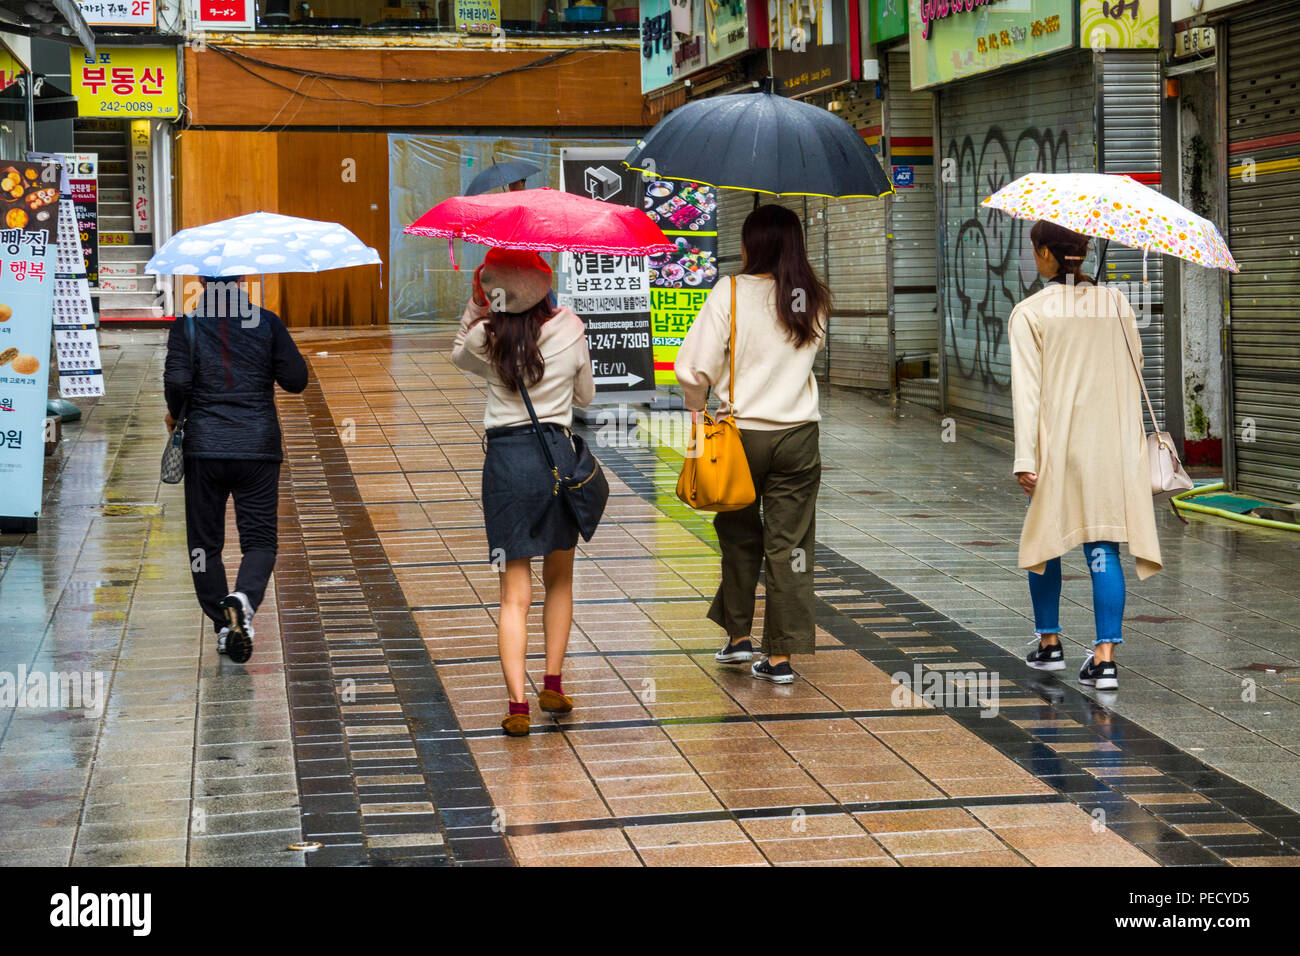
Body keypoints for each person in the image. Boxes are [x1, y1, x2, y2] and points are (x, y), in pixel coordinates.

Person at [675, 204, 829, 685]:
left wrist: (698, 407)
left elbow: (692, 365)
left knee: (739, 535)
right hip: (798, 437)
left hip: (740, 435)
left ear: (751, 244)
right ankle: (780, 657)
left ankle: (739, 638)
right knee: (790, 546)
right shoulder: (812, 296)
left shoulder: (731, 290)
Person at [1010, 220, 1162, 692]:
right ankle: (1104, 658)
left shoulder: (1030, 312)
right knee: (1102, 545)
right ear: (1086, 251)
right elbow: (1135, 369)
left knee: (1045, 543)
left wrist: (1025, 457)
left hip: (1058, 446)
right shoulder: (1117, 304)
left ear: (1044, 254)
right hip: (1111, 445)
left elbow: (1027, 394)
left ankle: (1049, 643)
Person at [451, 248, 595, 736]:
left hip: (507, 463)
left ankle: (517, 707)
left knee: (514, 594)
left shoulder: (485, 337)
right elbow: (586, 398)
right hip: (558, 459)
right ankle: (552, 681)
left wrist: (478, 304)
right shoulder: (571, 328)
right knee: (560, 578)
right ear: (542, 284)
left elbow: (457, 353)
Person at [164, 277, 308, 664]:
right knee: (260, 541)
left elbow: (177, 380)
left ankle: (225, 624)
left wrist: (176, 414)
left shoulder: (187, 325)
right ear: (242, 282)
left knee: (203, 544)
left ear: (202, 284)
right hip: (257, 448)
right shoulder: (267, 322)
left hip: (204, 449)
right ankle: (242, 600)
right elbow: (296, 381)